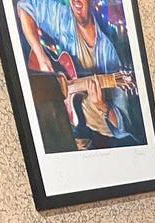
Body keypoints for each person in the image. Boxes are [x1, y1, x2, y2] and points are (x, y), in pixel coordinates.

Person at [17, 0, 138, 148]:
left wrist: (102, 106)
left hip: (87, 130)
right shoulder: (64, 18)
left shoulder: (109, 52)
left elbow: (122, 127)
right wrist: (40, 55)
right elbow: (25, 6)